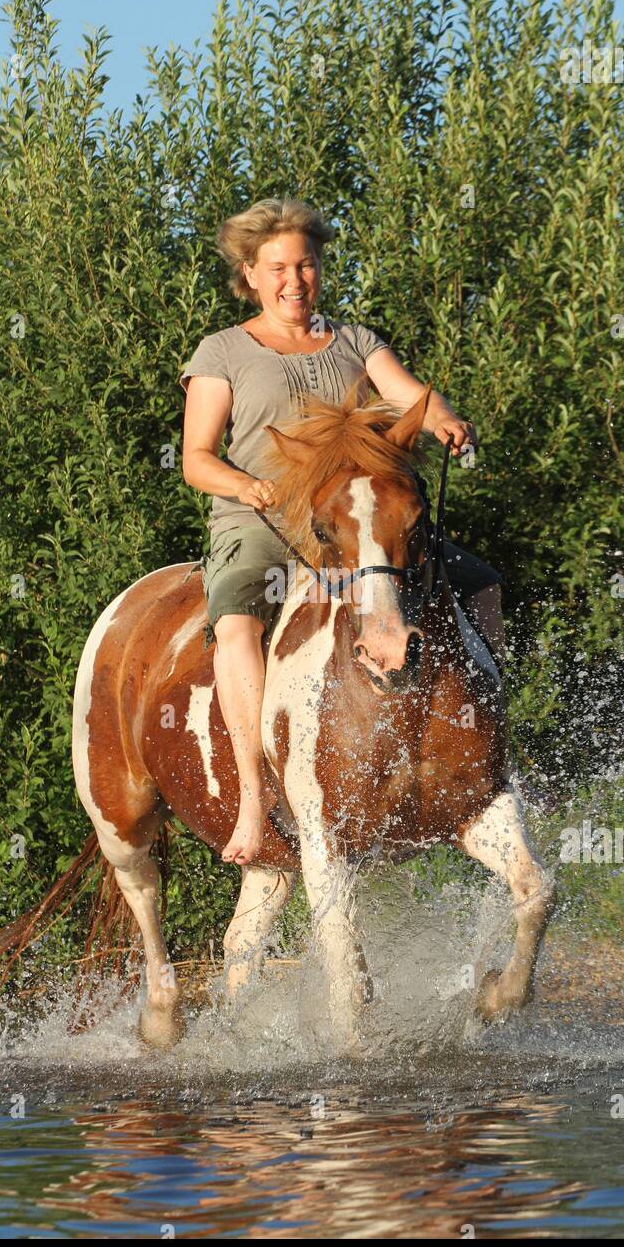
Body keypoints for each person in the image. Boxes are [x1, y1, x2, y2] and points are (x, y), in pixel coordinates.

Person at [181, 198, 505, 867]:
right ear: (249, 273)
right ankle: (252, 793)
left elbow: (409, 393)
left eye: (306, 265)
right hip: (264, 519)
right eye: (277, 268)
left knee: (480, 583)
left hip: (353, 523)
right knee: (239, 620)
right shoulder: (222, 352)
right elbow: (196, 458)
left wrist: (444, 421)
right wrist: (245, 485)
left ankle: (486, 740)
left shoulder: (356, 341)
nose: (294, 281)